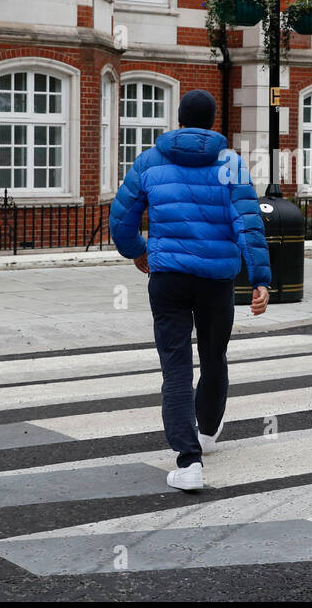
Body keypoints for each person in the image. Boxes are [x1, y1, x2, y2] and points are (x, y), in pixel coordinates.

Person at [110, 89, 272, 491]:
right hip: (217, 281)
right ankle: (208, 432)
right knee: (214, 354)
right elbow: (248, 225)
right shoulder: (232, 164)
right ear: (213, 121)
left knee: (176, 366)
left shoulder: (149, 160)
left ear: (179, 119)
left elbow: (120, 218)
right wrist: (260, 279)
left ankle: (189, 461)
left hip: (168, 280)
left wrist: (137, 251)